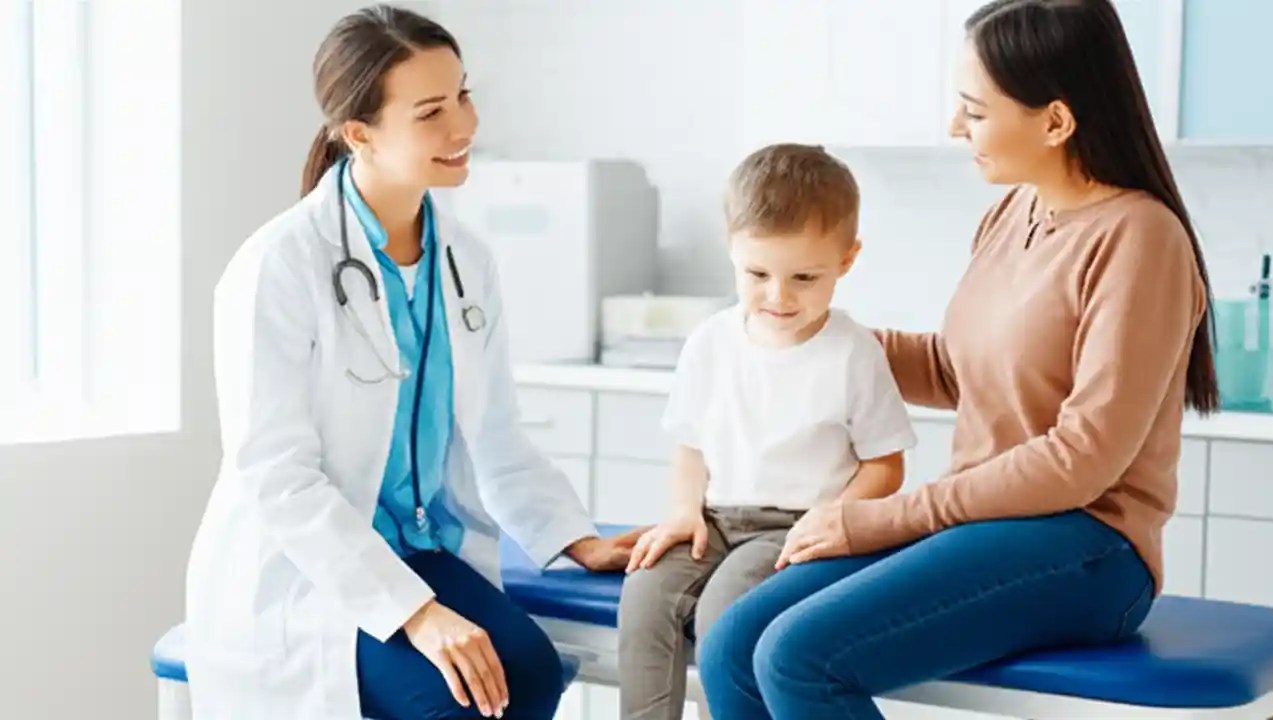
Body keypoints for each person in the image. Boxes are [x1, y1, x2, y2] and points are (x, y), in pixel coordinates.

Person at [696, 1, 1220, 718]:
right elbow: (957, 371)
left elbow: (1083, 457)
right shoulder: (1015, 213)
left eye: (973, 111)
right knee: (732, 646)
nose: (954, 127)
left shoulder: (1139, 239)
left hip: (1090, 546)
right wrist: (813, 329)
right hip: (981, 528)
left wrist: (885, 518)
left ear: (1055, 122)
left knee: (799, 656)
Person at [184, 6, 641, 719]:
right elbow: (277, 475)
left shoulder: (465, 260)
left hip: (422, 551)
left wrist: (575, 538)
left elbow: (497, 435)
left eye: (463, 95)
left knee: (531, 672)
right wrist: (416, 615)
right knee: (455, 700)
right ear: (359, 133)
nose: (464, 126)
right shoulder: (279, 265)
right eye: (432, 111)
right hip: (312, 573)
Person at [617, 144, 918, 720]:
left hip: (794, 530)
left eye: (805, 277)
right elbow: (691, 444)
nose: (778, 297)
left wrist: (831, 519)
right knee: (645, 595)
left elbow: (885, 465)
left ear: (847, 260)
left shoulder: (854, 352)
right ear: (731, 249)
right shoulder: (710, 340)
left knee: (724, 616)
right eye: (757, 274)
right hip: (713, 519)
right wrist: (683, 512)